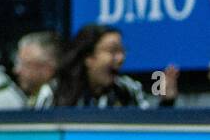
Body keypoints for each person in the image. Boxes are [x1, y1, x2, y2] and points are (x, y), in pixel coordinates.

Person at [47, 24, 178, 108]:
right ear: (89, 57)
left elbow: (149, 134)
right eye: (113, 51)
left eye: (122, 51)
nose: (121, 58)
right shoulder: (54, 92)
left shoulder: (128, 91)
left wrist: (166, 102)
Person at [14, 31, 60, 108]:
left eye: (24, 64)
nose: (16, 70)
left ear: (47, 68)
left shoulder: (60, 100)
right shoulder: (34, 97)